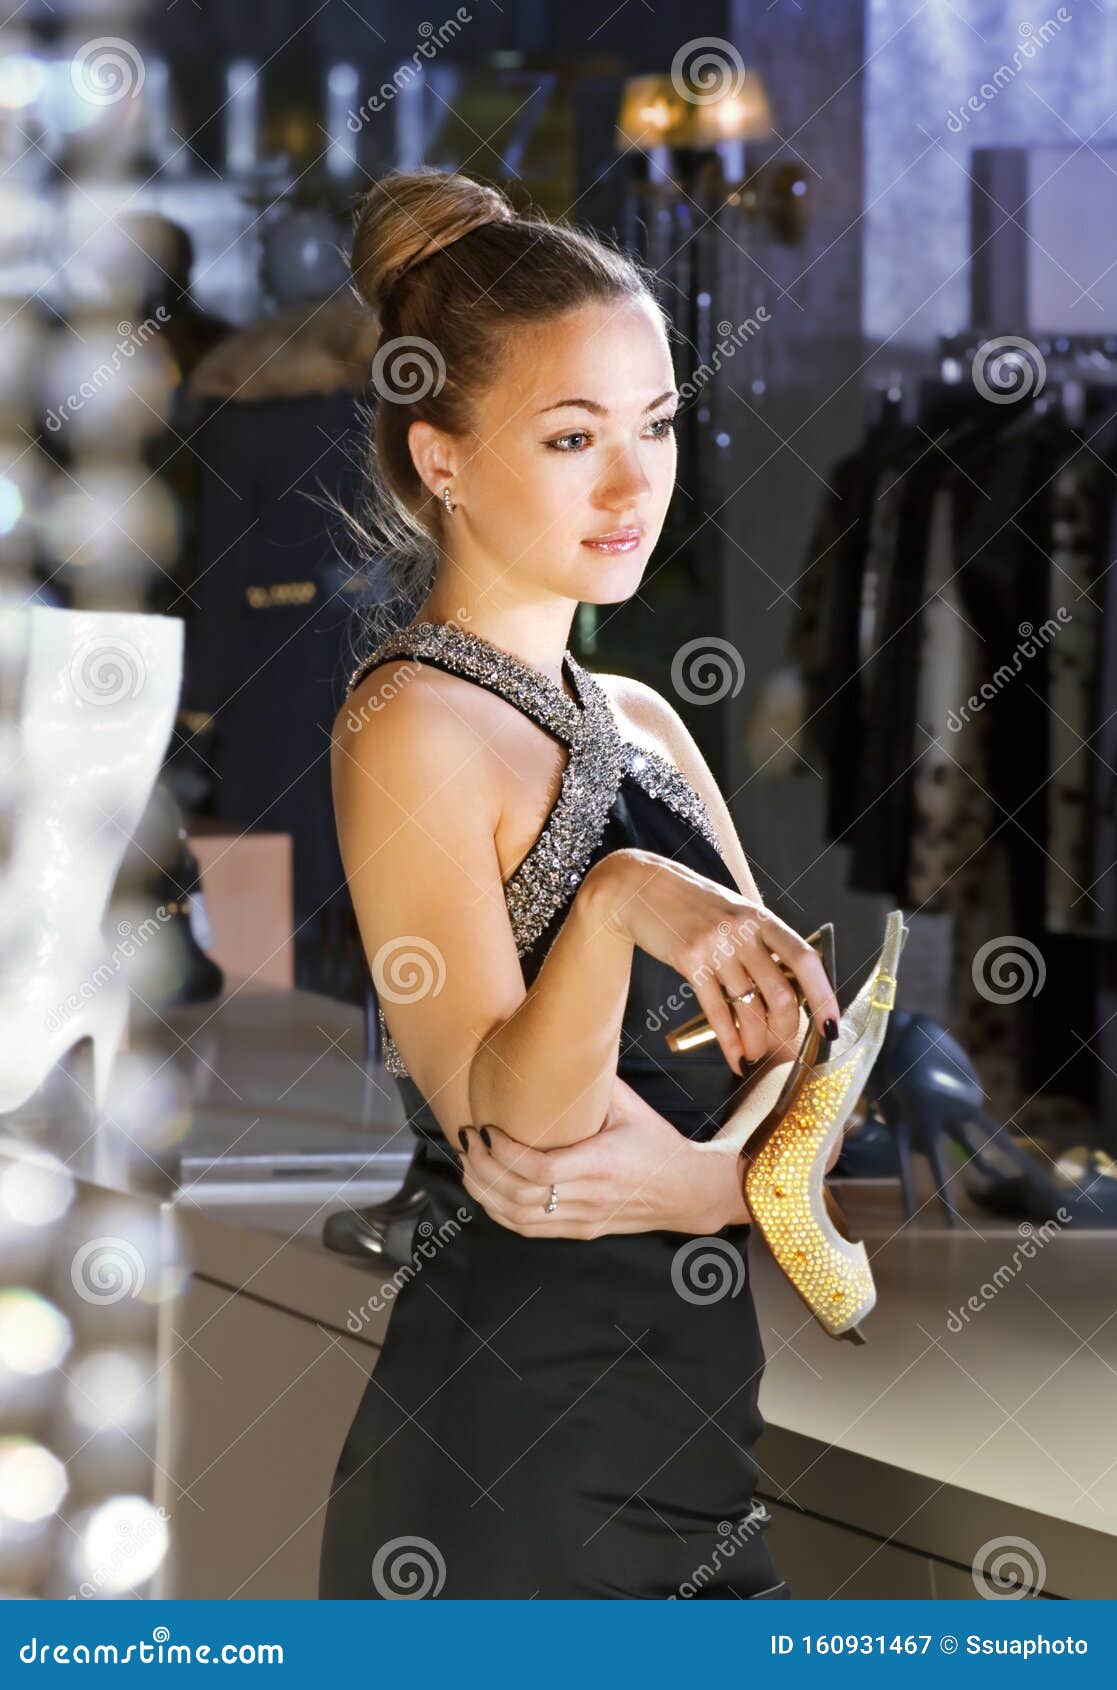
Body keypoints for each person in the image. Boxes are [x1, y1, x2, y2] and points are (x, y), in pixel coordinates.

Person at [317, 168, 841, 1601]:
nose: (633, 484)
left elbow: (814, 1062)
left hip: (694, 1447)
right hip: (508, 1458)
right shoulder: (409, 722)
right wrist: (611, 899)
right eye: (569, 438)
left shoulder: (644, 721)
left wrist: (709, 1185)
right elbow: (511, 1123)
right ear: (440, 457)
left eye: (656, 427)